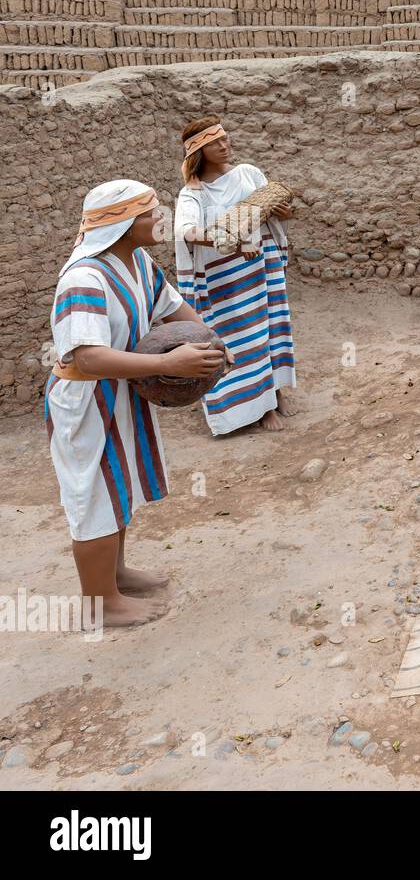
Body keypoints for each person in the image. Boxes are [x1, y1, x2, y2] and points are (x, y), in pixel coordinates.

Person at [46, 180, 234, 627]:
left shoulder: (138, 262)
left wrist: (213, 343)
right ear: (123, 222)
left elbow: (172, 308)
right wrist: (171, 361)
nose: (161, 220)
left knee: (118, 485)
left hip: (120, 392)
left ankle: (115, 575)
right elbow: (86, 356)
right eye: (152, 213)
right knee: (93, 494)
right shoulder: (84, 279)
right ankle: (100, 603)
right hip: (88, 400)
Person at [173, 115, 298, 434]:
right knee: (242, 337)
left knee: (268, 329)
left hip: (261, 266)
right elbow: (186, 232)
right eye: (216, 142)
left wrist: (284, 213)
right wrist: (228, 239)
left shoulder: (248, 174)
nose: (226, 145)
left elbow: (270, 212)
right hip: (225, 280)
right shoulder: (193, 193)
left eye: (226, 138)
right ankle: (255, 407)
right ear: (198, 152)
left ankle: (274, 394)